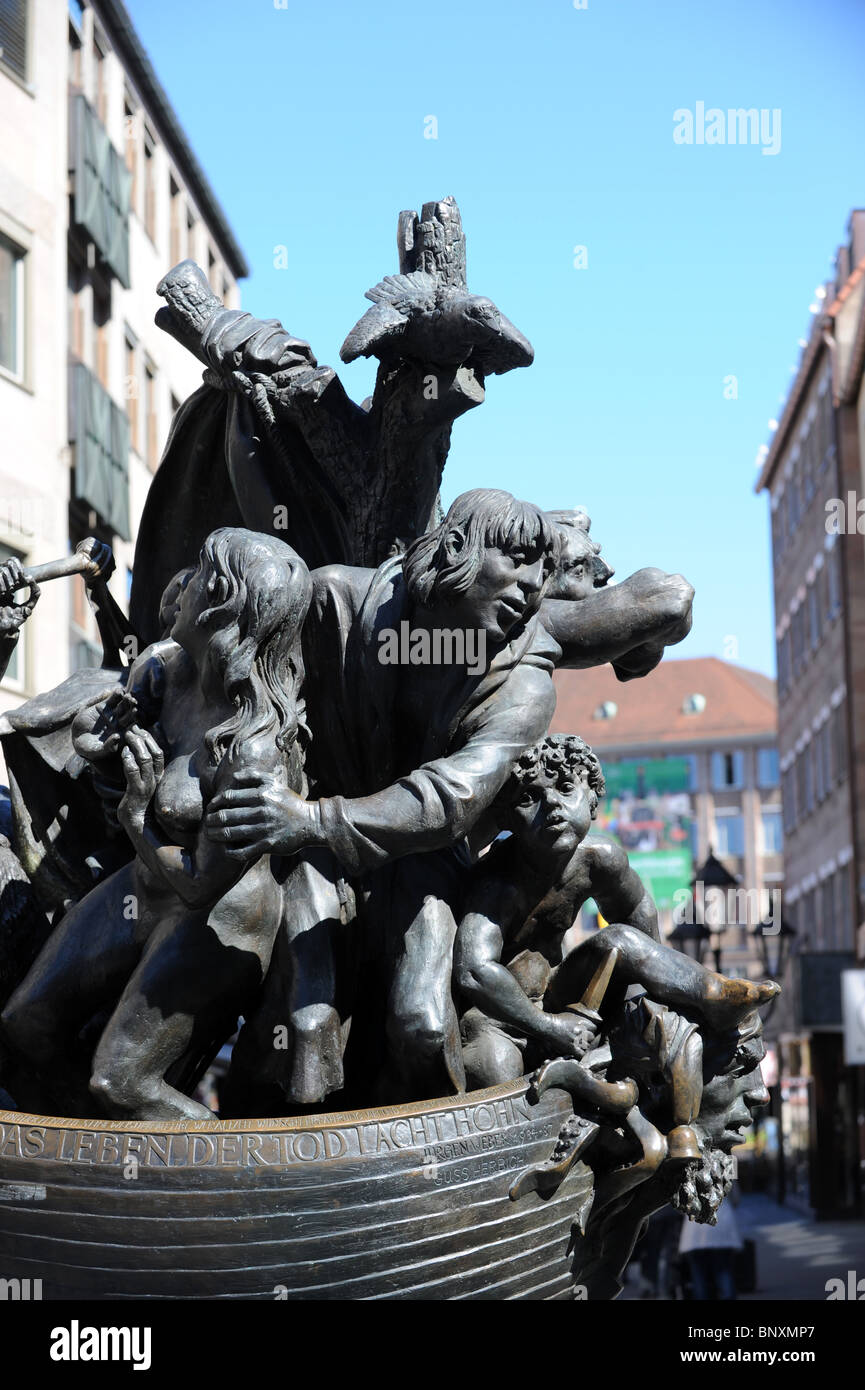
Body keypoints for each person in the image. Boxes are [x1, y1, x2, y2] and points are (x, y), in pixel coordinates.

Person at [1, 529, 311, 1120]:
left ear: (219, 604)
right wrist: (101, 745)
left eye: (196, 574)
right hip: (143, 891)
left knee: (120, 1083)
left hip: (218, 919)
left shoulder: (254, 750)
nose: (179, 586)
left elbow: (202, 883)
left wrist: (137, 813)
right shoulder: (165, 671)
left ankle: (241, 1185)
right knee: (26, 1023)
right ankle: (92, 1160)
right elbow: (97, 735)